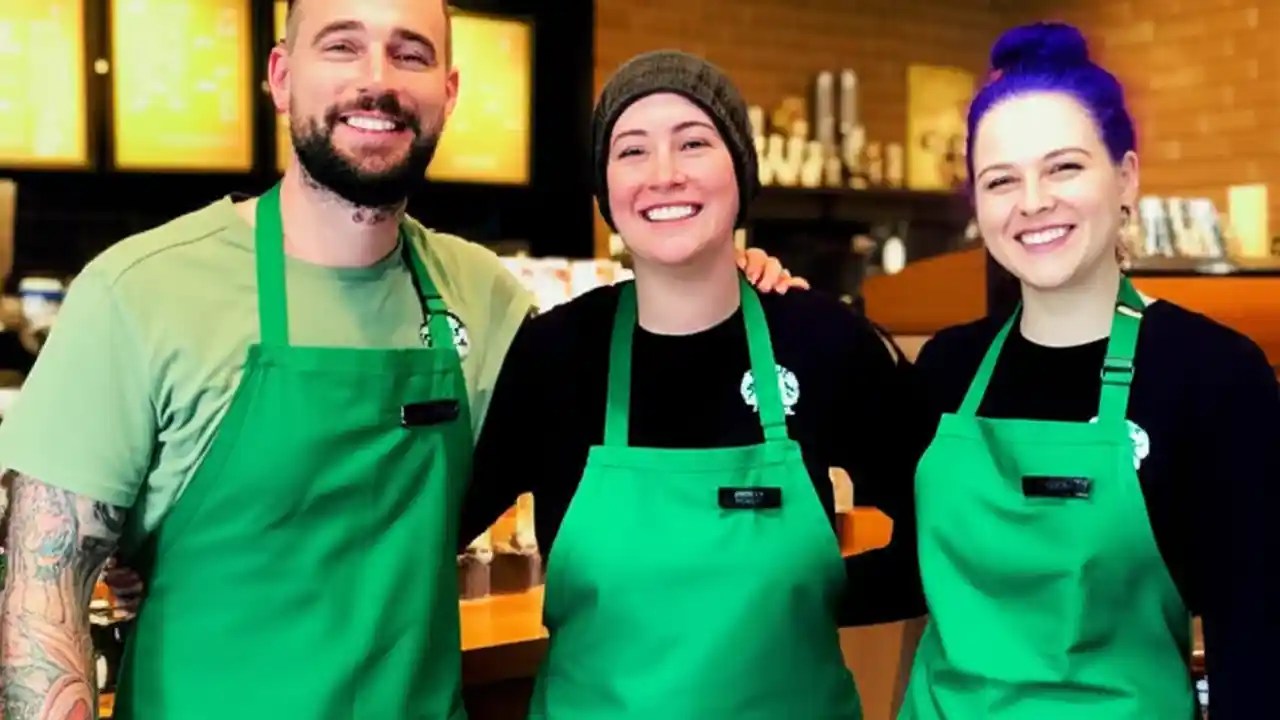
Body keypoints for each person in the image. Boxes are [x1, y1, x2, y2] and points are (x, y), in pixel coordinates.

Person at [0, 2, 795, 718]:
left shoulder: (484, 298)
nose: (376, 81)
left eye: (409, 54)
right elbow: (43, 595)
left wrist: (738, 286)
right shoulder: (140, 291)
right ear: (281, 76)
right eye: (342, 46)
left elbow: (652, 389)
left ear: (448, 92)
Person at [457, 50, 926, 719]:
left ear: (742, 171)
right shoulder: (558, 354)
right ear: (605, 191)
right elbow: (432, 528)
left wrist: (810, 596)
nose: (664, 175)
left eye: (695, 143)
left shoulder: (823, 343)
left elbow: (952, 530)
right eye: (632, 151)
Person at [898, 22, 1279, 719]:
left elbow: (1257, 637)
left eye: (1064, 167)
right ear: (978, 207)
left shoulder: (1212, 377)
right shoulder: (944, 371)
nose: (1033, 201)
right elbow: (884, 582)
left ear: (1126, 177)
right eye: (1001, 180)